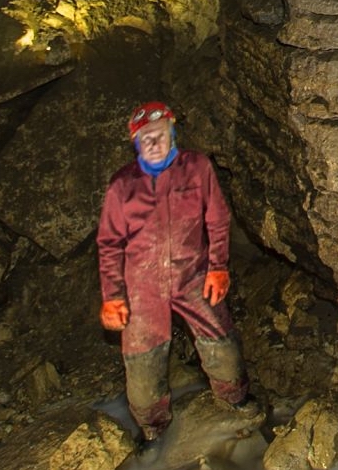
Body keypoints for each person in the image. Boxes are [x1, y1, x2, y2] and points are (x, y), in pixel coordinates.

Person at [97, 101, 247, 441]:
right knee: (143, 363)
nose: (154, 143)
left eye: (160, 135)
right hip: (142, 287)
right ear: (136, 143)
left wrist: (218, 267)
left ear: (172, 133)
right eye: (146, 138)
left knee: (221, 342)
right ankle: (155, 431)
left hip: (192, 273)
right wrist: (113, 296)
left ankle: (235, 402)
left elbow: (217, 218)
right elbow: (109, 243)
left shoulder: (197, 167)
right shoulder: (122, 185)